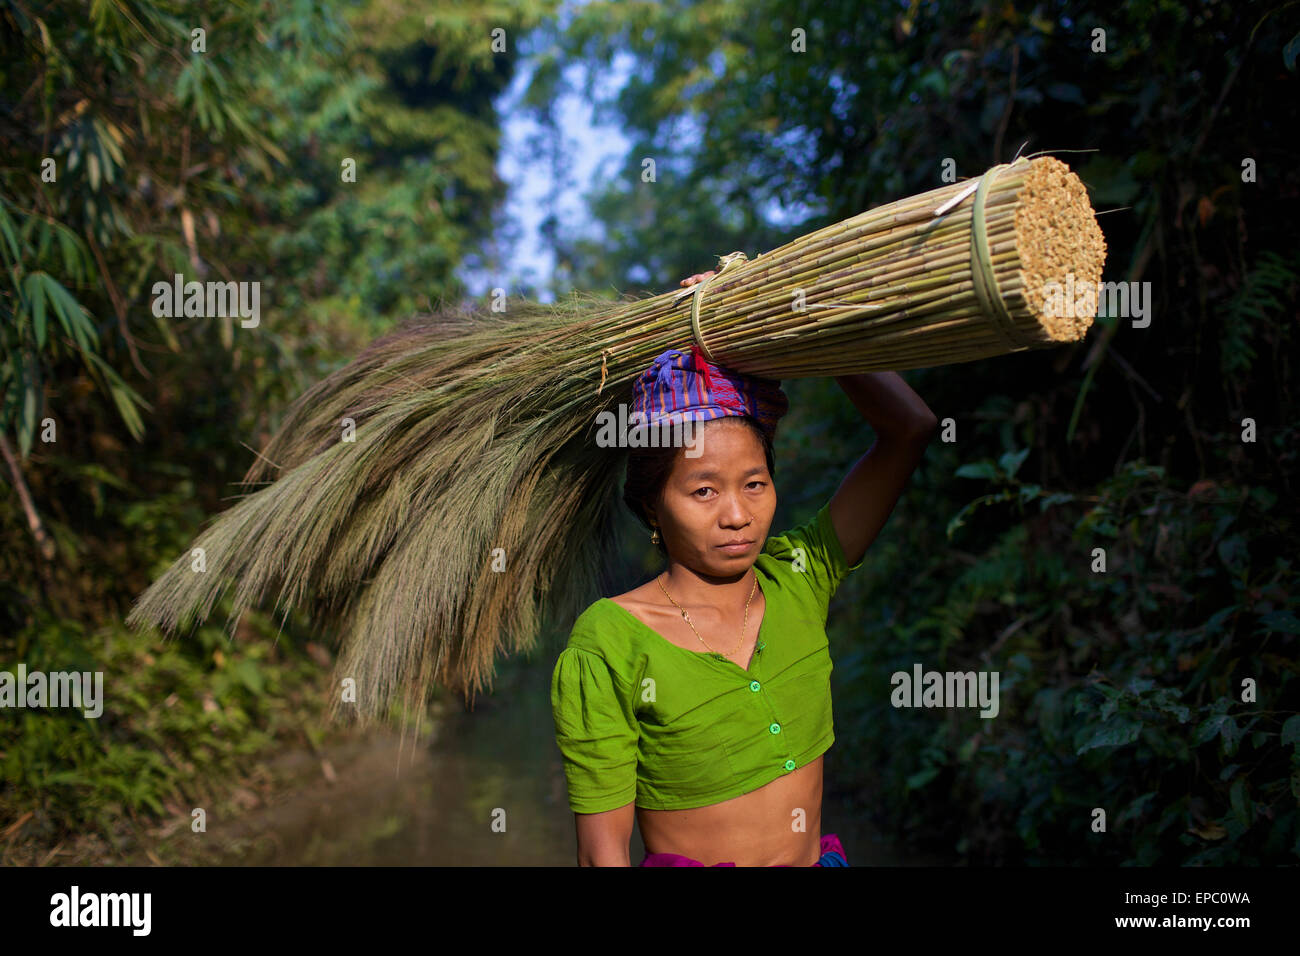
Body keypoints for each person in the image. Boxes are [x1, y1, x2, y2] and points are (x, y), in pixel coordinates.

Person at [550, 270, 939, 866]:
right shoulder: (608, 643)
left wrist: (799, 311)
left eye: (755, 484)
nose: (739, 515)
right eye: (704, 491)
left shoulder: (802, 575)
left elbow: (909, 430)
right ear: (653, 503)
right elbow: (602, 856)